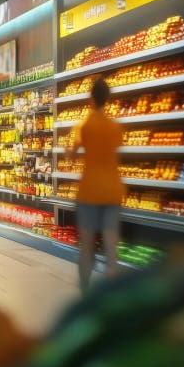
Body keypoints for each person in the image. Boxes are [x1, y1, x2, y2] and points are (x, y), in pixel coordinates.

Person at [68, 78, 124, 291]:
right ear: (107, 99)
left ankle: (84, 294)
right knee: (111, 250)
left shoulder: (84, 125)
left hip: (89, 191)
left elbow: (72, 155)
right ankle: (110, 300)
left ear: (91, 98)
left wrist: (70, 152)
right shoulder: (115, 126)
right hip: (112, 190)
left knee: (87, 247)